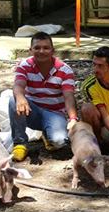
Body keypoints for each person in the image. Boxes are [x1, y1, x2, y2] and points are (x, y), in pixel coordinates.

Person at [8, 32, 78, 161]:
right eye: (37, 48)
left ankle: (47, 134)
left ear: (53, 50)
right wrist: (20, 97)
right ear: (30, 50)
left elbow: (68, 96)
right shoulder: (24, 66)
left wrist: (73, 118)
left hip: (54, 113)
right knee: (14, 99)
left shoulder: (65, 70)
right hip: (32, 111)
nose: (41, 51)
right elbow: (18, 85)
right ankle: (20, 143)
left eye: (46, 48)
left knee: (60, 141)